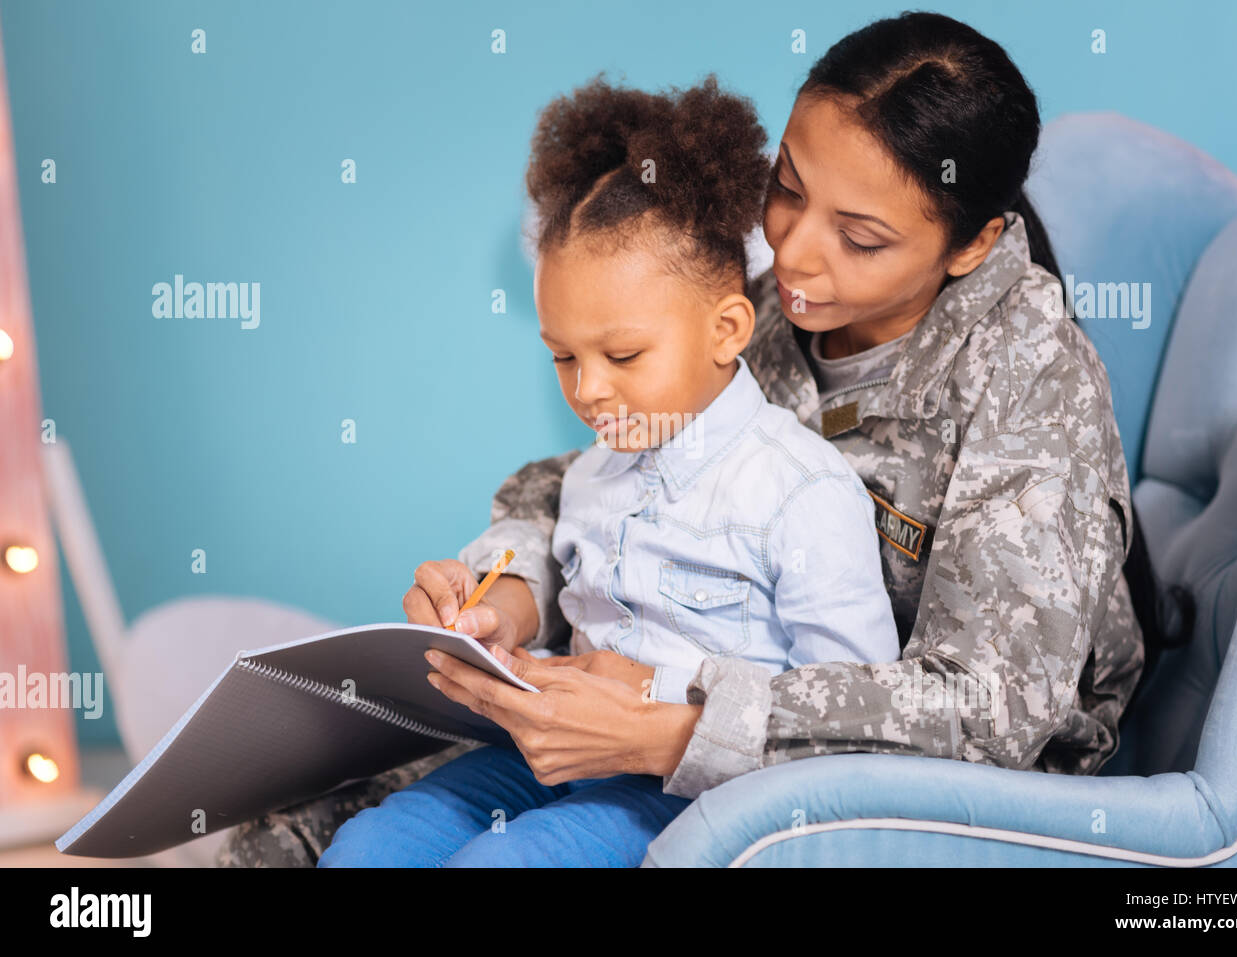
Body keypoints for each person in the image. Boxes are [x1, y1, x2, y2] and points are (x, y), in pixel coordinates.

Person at [289, 10, 1151, 869]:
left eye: (859, 238)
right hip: (664, 721)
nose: (795, 254)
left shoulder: (1035, 384)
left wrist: (675, 725)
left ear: (972, 245)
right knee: (339, 812)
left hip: (936, 781)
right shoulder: (772, 310)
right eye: (788, 187)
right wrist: (505, 582)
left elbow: (990, 710)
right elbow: (597, 476)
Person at [317, 74, 900, 867]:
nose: (588, 389)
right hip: (548, 757)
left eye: (621, 355)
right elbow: (554, 595)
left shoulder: (803, 490)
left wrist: (654, 700)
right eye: (563, 355)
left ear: (728, 328)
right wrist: (489, 620)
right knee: (371, 843)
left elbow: (850, 722)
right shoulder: (592, 473)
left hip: (687, 785)